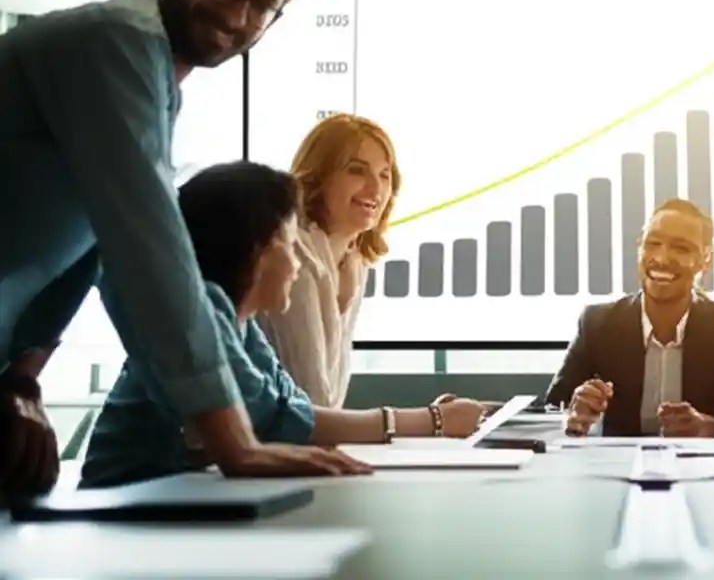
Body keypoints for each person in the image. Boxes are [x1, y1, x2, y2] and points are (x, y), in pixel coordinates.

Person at [0, 0, 350, 499]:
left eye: (263, 5)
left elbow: (98, 249)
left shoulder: (157, 82)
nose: (238, 17)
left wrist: (23, 378)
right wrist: (235, 442)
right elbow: (146, 252)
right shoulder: (115, 44)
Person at [80, 162, 488, 489]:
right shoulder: (204, 312)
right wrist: (429, 421)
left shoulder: (242, 325)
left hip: (179, 498)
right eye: (289, 245)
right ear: (255, 249)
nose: (296, 263)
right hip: (132, 509)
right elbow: (279, 421)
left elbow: (289, 409)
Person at [544, 199, 714, 437]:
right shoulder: (599, 323)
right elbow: (552, 406)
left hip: (698, 465)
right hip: (616, 465)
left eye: (681, 248)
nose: (662, 258)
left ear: (706, 259)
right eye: (652, 244)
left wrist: (712, 426)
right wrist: (574, 413)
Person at [259, 114, 398, 409]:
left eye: (385, 175)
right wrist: (431, 419)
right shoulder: (295, 258)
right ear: (319, 178)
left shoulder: (352, 261)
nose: (376, 189)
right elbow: (312, 404)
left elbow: (329, 402)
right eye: (357, 171)